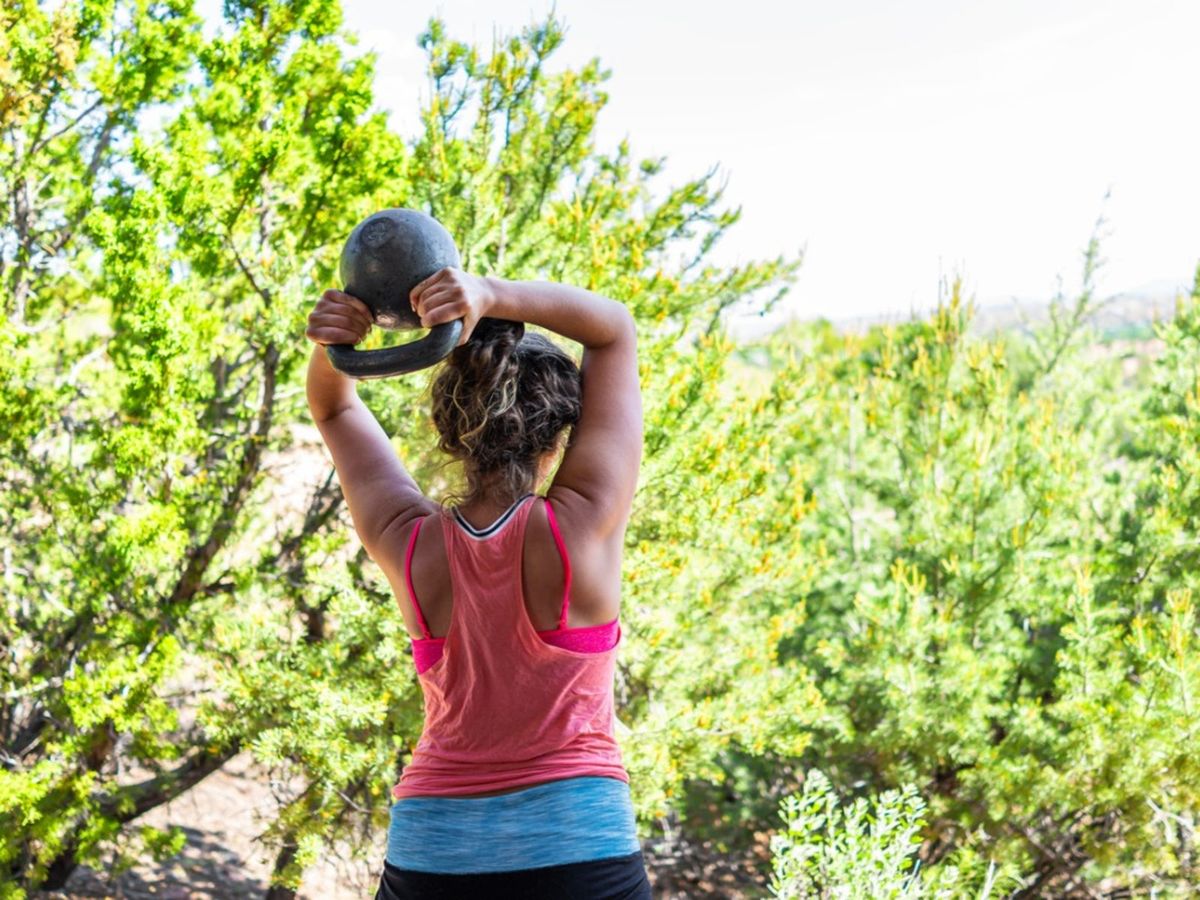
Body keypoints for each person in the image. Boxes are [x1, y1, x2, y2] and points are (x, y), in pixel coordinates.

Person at [304, 266, 650, 899]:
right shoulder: (582, 524)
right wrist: (490, 295)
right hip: (576, 840)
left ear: (446, 430)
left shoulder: (408, 541)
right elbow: (613, 331)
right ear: (560, 438)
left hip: (436, 851)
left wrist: (339, 348)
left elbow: (332, 407)